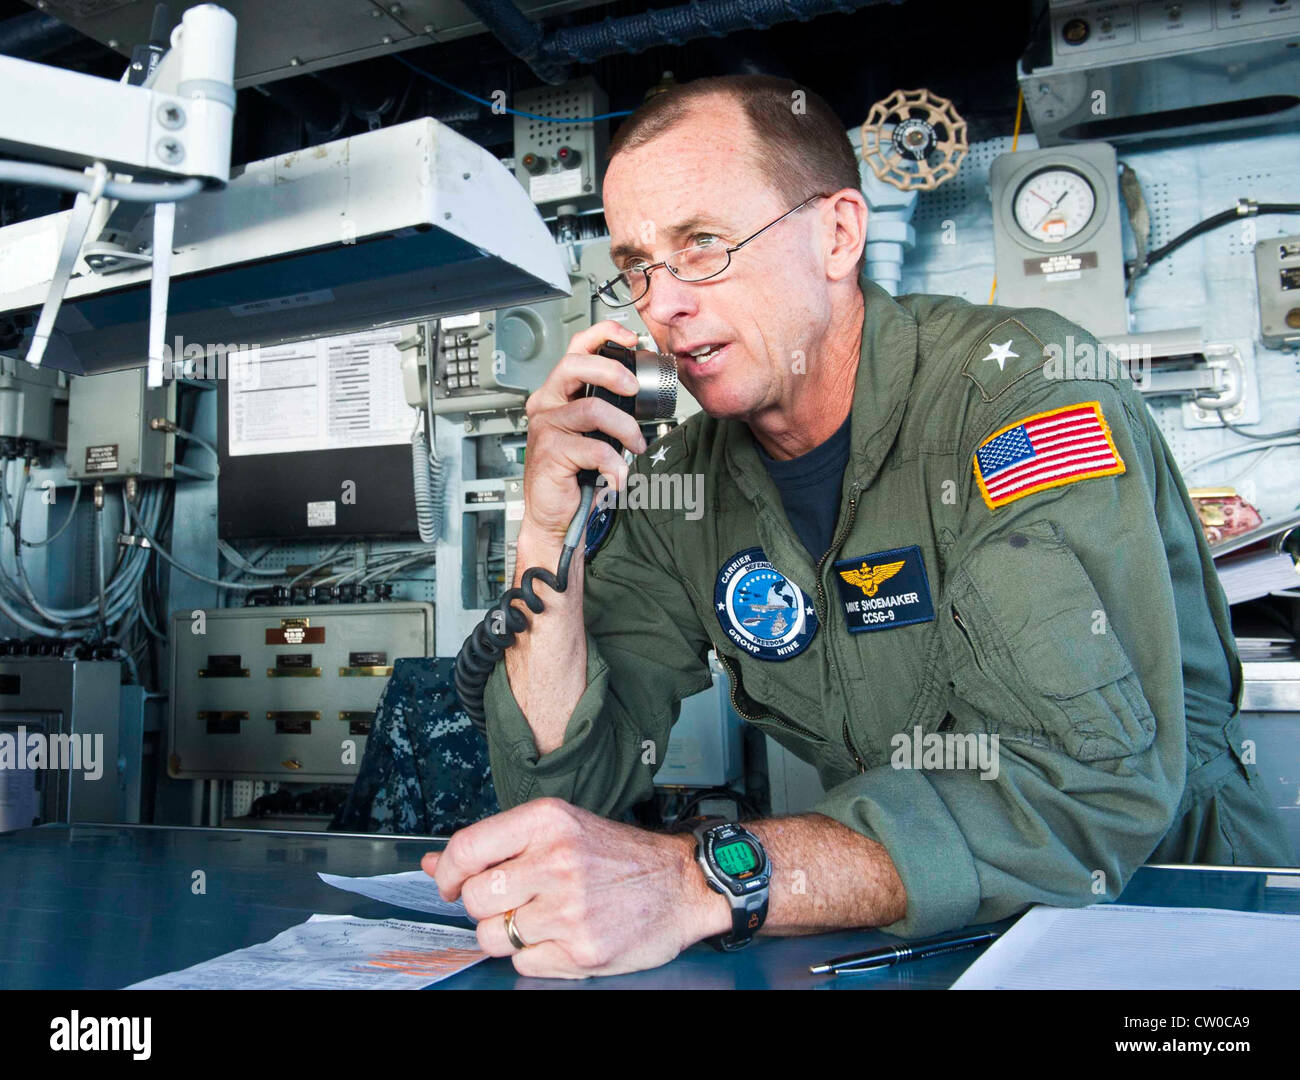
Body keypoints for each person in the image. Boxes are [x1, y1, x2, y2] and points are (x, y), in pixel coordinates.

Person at [425, 75, 1293, 979]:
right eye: (639, 264)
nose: (663, 303)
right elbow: (567, 790)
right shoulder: (681, 489)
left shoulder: (1019, 405)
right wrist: (546, 535)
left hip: (1170, 913)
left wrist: (705, 881)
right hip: (917, 928)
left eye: (705, 245)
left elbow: (1086, 796)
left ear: (838, 234)